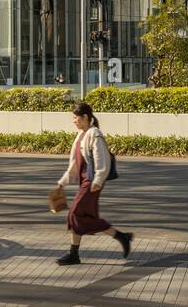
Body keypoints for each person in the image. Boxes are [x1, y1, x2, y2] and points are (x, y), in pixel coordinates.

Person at [55, 102, 133, 265]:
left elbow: (101, 159)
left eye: (76, 118)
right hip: (85, 181)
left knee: (75, 214)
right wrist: (62, 182)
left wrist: (98, 180)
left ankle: (74, 254)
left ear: (85, 117)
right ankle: (122, 237)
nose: (74, 121)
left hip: (91, 183)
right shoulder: (81, 135)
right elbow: (75, 165)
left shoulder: (94, 134)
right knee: (86, 217)